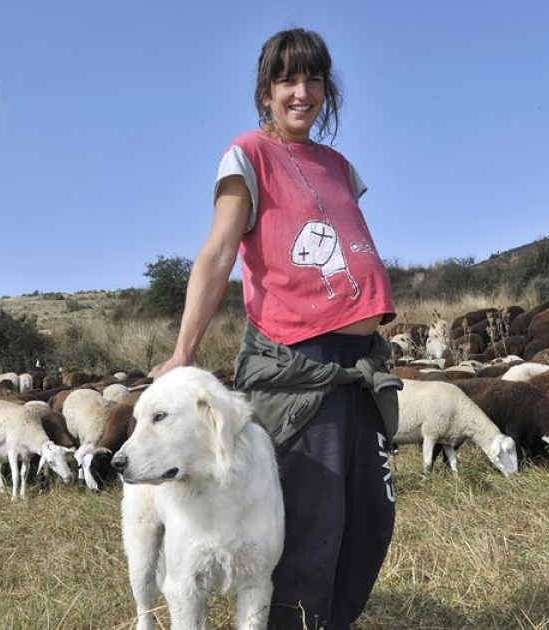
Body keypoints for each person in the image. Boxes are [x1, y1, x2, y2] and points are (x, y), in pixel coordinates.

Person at [157, 27, 400, 630]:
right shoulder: (249, 155)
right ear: (266, 92)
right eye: (287, 80)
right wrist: (184, 351)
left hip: (362, 363)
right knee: (310, 525)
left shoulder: (339, 166)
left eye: (313, 79)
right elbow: (217, 254)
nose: (302, 92)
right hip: (301, 364)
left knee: (369, 516)